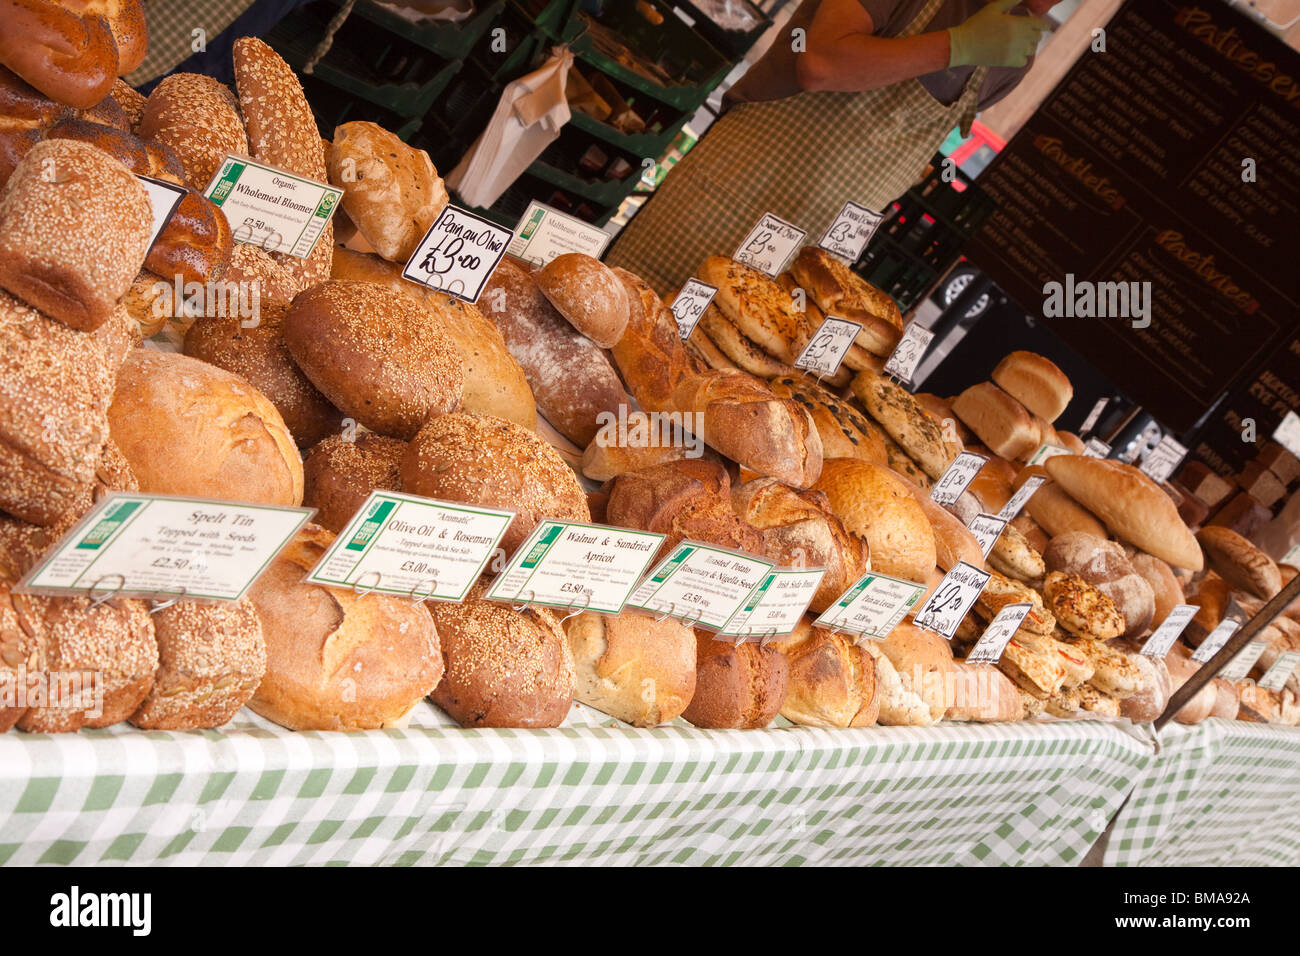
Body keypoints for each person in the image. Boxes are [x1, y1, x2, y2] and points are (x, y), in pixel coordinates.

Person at [605, 0, 1062, 294]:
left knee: (694, 416)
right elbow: (820, 62)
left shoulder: (1015, 57)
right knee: (609, 333)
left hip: (801, 267)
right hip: (729, 199)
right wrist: (955, 46)